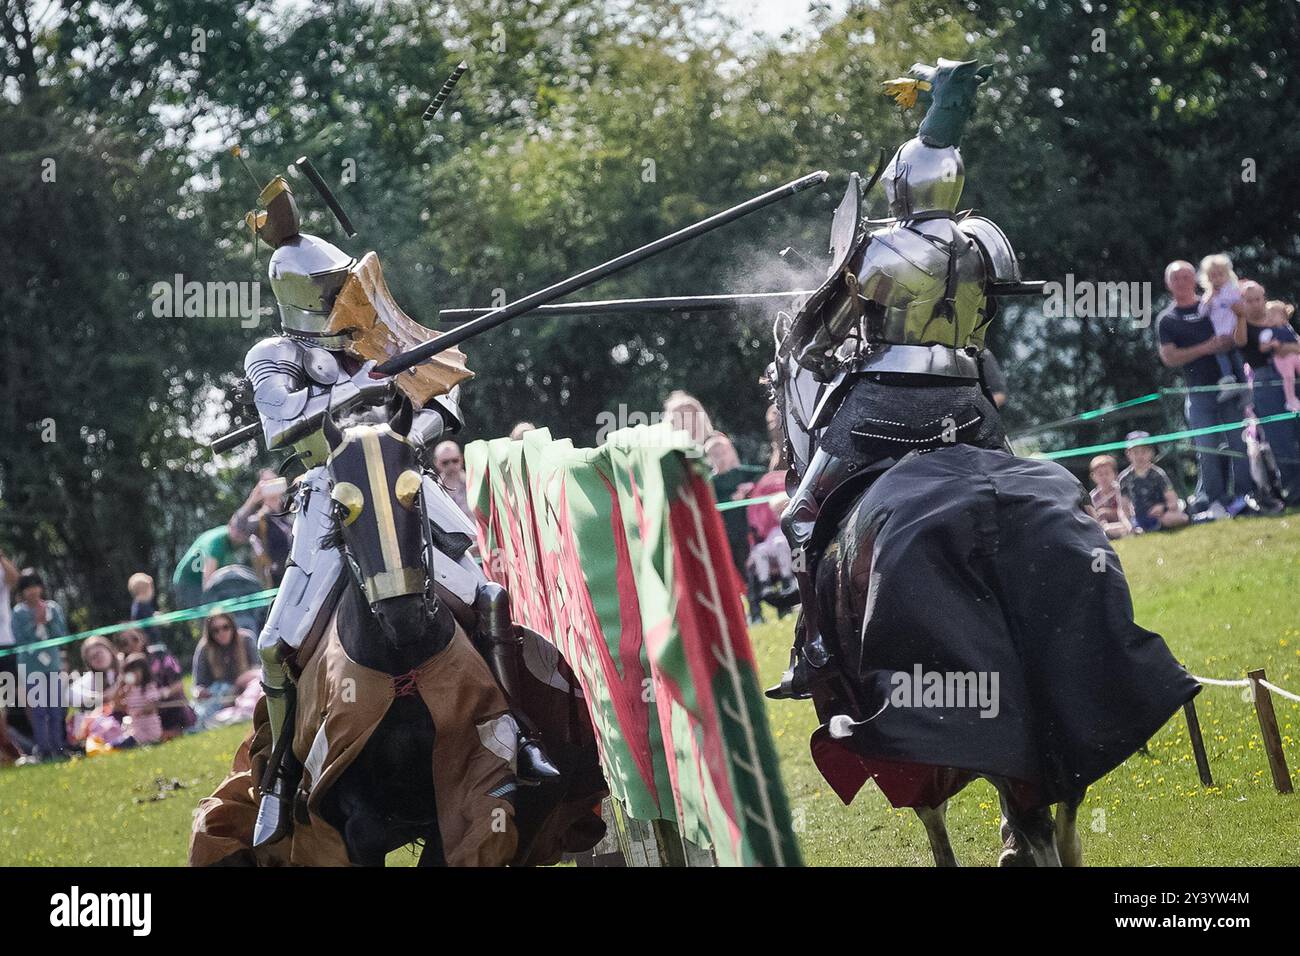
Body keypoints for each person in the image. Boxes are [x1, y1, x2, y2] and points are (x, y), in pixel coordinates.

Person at [238, 170, 556, 844]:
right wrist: (355, 398)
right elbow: (280, 426)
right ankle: (280, 780)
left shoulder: (376, 336)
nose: (342, 301)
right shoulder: (274, 353)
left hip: (405, 483)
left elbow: (445, 407)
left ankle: (516, 735)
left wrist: (405, 419)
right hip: (332, 500)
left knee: (490, 597)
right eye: (330, 293)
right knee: (274, 643)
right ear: (300, 297)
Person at [1157, 259, 1254, 514]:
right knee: (1206, 449)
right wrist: (1206, 348)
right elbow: (1169, 358)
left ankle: (1246, 495)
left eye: (1186, 276)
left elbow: (1238, 330)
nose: (1181, 282)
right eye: (1176, 278)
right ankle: (1213, 499)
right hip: (1198, 393)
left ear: (1196, 279)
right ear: (1168, 284)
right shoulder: (1167, 319)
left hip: (1231, 387)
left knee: (1239, 443)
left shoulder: (1213, 304)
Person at [1239, 281, 1300, 505]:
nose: (1255, 304)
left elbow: (1295, 345)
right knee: (1280, 438)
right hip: (1266, 382)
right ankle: (1294, 492)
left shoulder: (1278, 319)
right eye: (1249, 300)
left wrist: (1289, 348)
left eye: (1258, 298)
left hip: (1294, 377)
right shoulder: (1242, 327)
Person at [10, 570, 70, 760]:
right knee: (38, 710)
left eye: (35, 586)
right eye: (27, 588)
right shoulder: (18, 612)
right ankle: (44, 750)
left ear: (41, 587)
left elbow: (61, 635)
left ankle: (59, 748)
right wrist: (35, 623)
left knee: (55, 709)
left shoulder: (52, 607)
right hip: (30, 667)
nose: (32, 591)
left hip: (52, 665)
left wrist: (48, 622)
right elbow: (20, 639)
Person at [704, 433, 764, 599]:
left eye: (723, 452)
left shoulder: (743, 473)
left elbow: (764, 476)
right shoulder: (710, 482)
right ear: (709, 459)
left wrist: (751, 487)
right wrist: (731, 498)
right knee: (738, 566)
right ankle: (751, 600)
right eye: (715, 455)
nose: (721, 457)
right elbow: (709, 502)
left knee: (755, 562)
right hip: (727, 532)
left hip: (750, 528)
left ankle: (765, 596)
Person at [115, 626, 193, 738]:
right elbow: (117, 701)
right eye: (125, 643)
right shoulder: (124, 667)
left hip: (168, 706)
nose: (132, 645)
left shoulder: (160, 656)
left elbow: (178, 684)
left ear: (143, 637)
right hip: (140, 717)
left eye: (134, 639)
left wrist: (160, 694)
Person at [191, 613, 259, 725]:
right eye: (215, 630)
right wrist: (200, 692)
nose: (221, 633)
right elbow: (197, 685)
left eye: (225, 627)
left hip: (246, 688)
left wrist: (238, 684)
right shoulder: (204, 648)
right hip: (219, 695)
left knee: (256, 685)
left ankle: (243, 711)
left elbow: (258, 670)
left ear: (232, 626)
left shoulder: (246, 639)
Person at [1197, 253, 1248, 397]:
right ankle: (1229, 383)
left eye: (1220, 274)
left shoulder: (1233, 290)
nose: (1217, 278)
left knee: (1237, 359)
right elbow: (1201, 312)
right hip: (1220, 335)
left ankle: (1245, 385)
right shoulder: (1209, 296)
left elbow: (1239, 305)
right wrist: (1210, 297)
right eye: (1213, 276)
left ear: (1227, 274)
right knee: (1222, 358)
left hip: (1234, 332)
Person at [1118, 433, 1189, 532]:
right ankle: (1141, 529)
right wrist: (1128, 524)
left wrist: (1163, 507)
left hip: (1161, 515)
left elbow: (1173, 501)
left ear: (1151, 453)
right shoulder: (1124, 478)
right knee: (1111, 529)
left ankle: (1161, 525)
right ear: (1128, 454)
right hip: (1139, 518)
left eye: (1143, 451)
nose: (1140, 456)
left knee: (1175, 518)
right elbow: (1123, 508)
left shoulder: (1158, 474)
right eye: (1135, 452)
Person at [171, 525, 242, 609]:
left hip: (202, 580)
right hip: (190, 581)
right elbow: (207, 580)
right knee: (208, 614)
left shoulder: (231, 537)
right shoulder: (218, 542)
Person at [1257, 301, 1300, 412]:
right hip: (1282, 359)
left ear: (1283, 318)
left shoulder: (1288, 328)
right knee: (1289, 377)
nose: (1269, 317)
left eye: (1273, 315)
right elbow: (1262, 347)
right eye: (1267, 315)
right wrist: (1271, 344)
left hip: (1294, 356)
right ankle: (1290, 399)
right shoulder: (1268, 332)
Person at [113, 653, 164, 747]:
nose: (132, 674)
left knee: (128, 742)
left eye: (135, 671)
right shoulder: (129, 690)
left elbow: (152, 707)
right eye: (129, 672)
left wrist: (139, 711)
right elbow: (117, 704)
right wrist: (119, 686)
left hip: (148, 728)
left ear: (144, 672)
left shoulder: (148, 688)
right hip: (136, 728)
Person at [1087, 455, 1131, 539]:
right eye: (1100, 474)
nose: (1104, 477)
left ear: (1114, 474)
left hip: (1123, 522)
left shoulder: (1120, 490)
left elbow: (1126, 509)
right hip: (1105, 526)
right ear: (1093, 476)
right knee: (1104, 527)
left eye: (1107, 473)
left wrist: (1108, 512)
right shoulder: (1093, 497)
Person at [433, 439, 473, 518]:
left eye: (455, 460)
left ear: (461, 459)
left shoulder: (474, 483)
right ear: (436, 462)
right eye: (445, 462)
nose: (451, 466)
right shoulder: (434, 489)